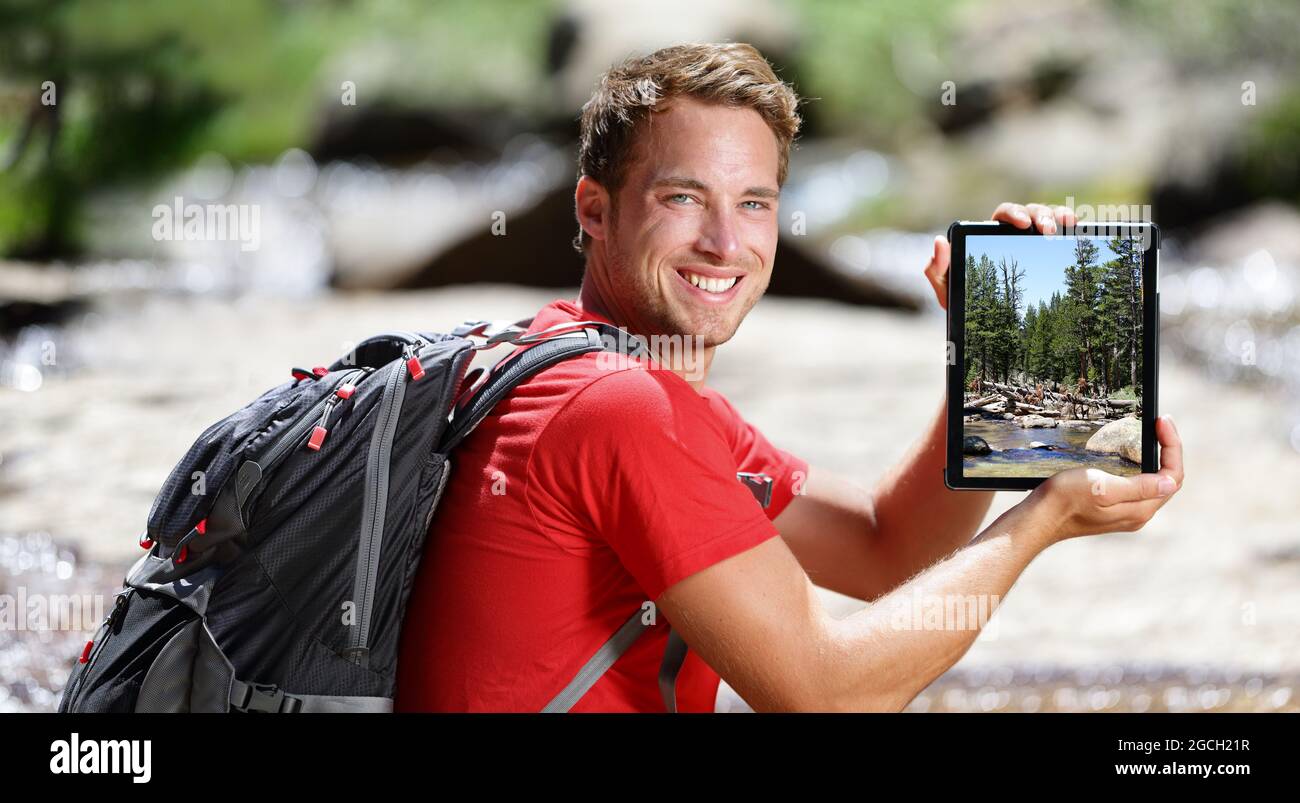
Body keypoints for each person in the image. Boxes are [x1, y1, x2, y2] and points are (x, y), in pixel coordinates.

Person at [394, 42, 1184, 712]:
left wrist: (989, 364)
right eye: (683, 198)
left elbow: (886, 549)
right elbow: (827, 692)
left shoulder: (583, 366)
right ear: (593, 210)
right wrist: (1043, 519)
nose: (724, 242)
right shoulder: (619, 408)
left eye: (754, 203)